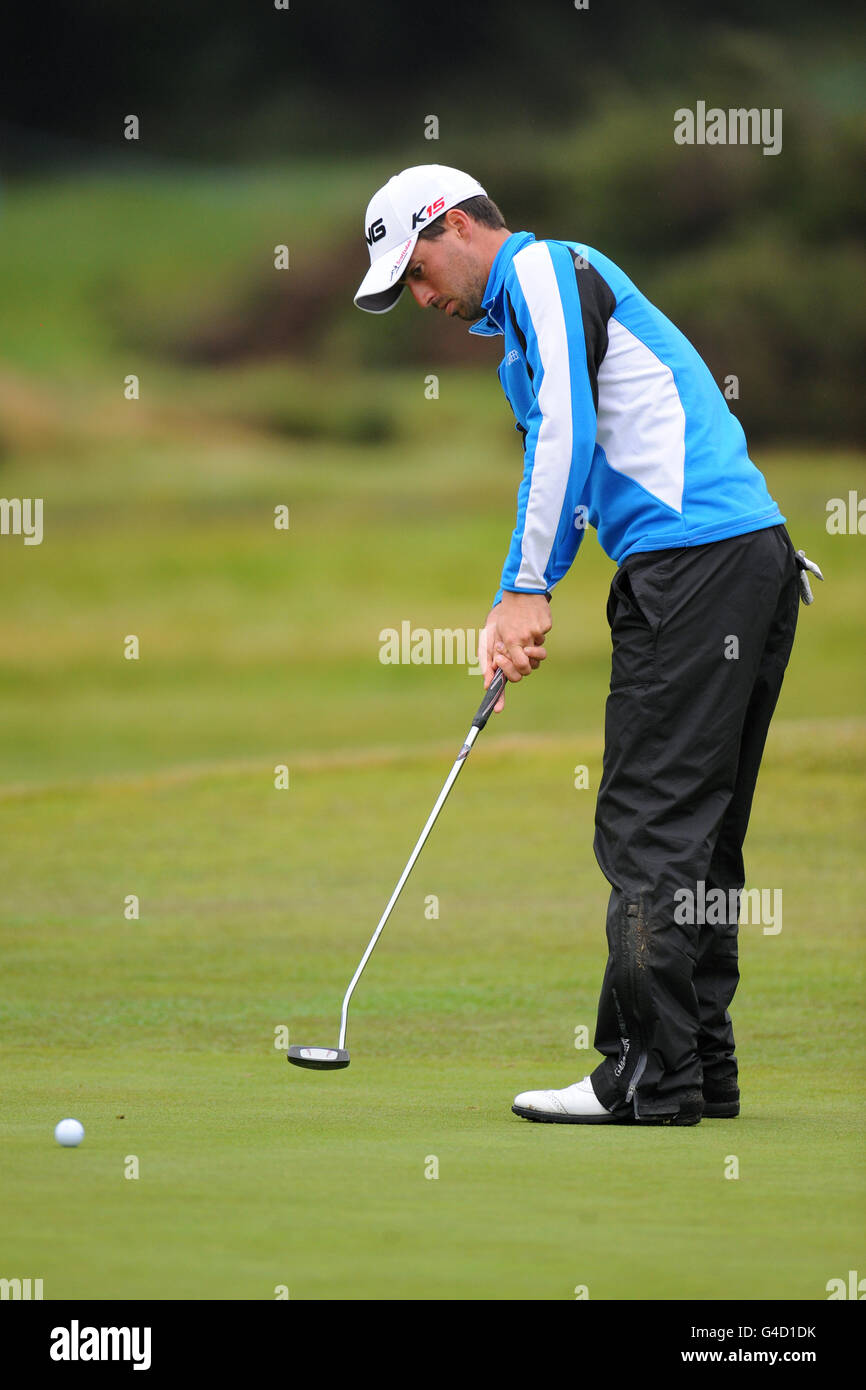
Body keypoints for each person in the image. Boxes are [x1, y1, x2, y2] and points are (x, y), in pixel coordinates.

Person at [354, 163, 808, 1127]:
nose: (422, 298)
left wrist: (525, 590)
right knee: (700, 830)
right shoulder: (526, 331)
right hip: (735, 564)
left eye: (419, 271)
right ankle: (697, 1070)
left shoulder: (547, 273)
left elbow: (568, 432)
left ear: (459, 225)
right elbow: (563, 468)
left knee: (650, 821)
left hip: (699, 566)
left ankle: (645, 1074)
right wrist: (517, 596)